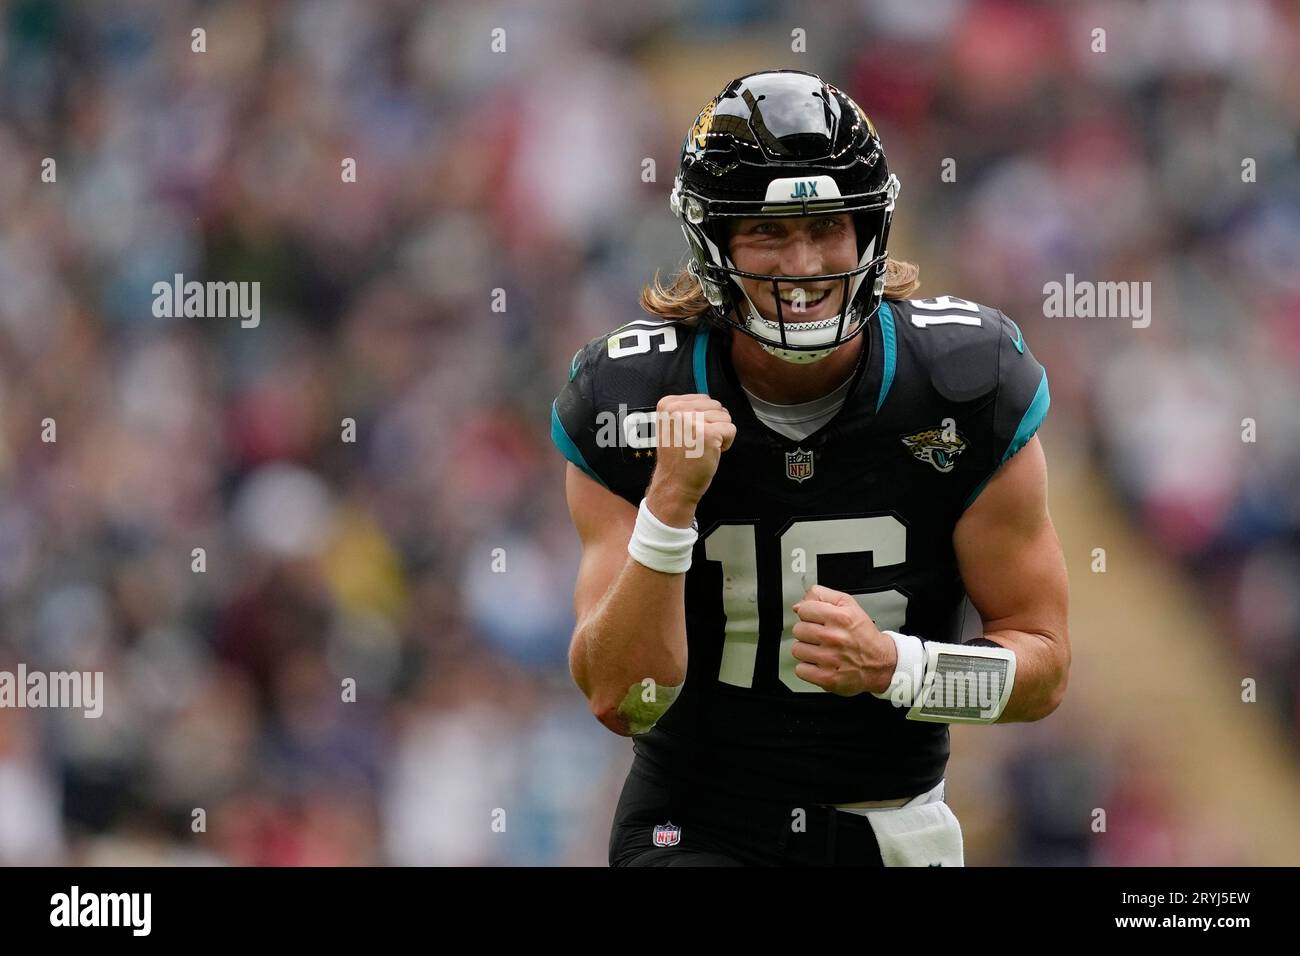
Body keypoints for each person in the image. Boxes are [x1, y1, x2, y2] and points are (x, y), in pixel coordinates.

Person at [550, 69, 1069, 866]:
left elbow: (1043, 669)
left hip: (893, 827)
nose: (805, 263)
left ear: (870, 227)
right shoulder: (629, 397)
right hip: (695, 826)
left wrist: (899, 666)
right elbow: (625, 698)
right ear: (713, 241)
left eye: (829, 225)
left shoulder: (965, 383)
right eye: (768, 231)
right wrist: (668, 507)